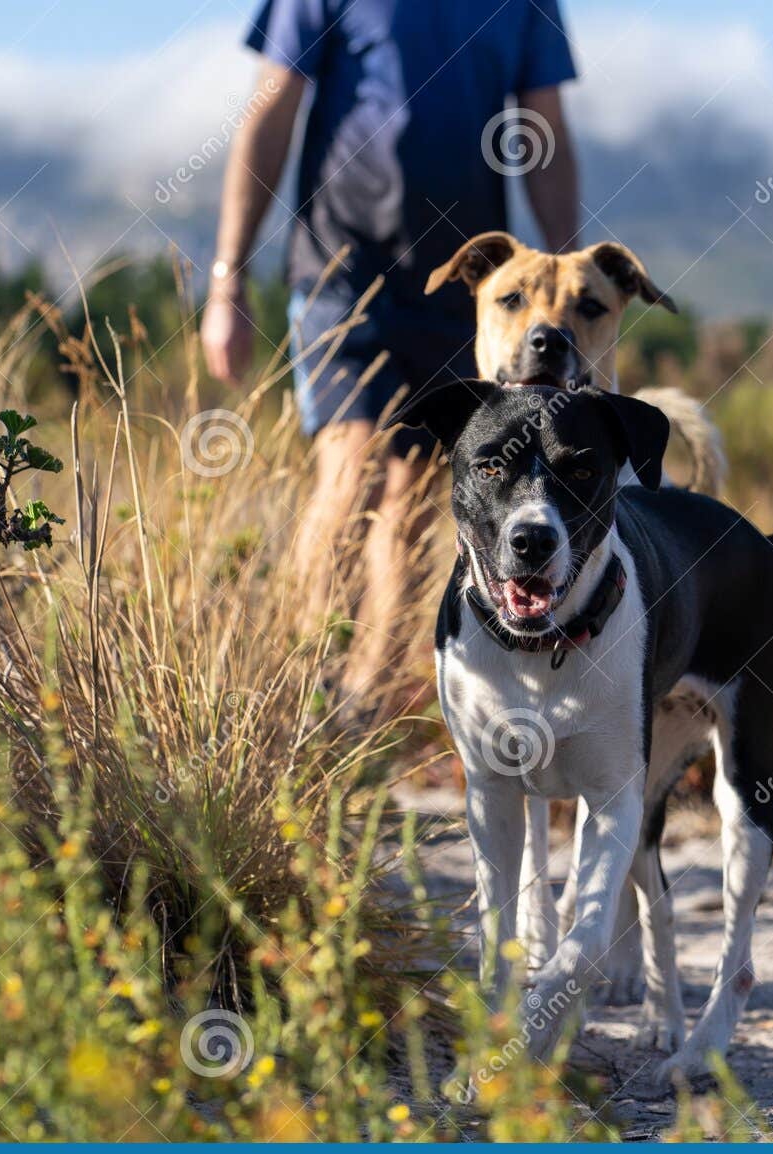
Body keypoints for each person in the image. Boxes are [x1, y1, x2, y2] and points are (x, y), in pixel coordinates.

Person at [201, 0, 580, 712]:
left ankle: (362, 711)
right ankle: (302, 691)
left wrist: (561, 293)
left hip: (462, 292)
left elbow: (545, 128)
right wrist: (228, 278)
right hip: (340, 274)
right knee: (353, 471)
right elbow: (273, 109)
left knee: (411, 506)